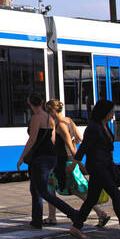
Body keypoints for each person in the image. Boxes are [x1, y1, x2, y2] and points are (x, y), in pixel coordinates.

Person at [70, 99, 120, 239]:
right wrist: (75, 163)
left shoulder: (104, 125)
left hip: (106, 166)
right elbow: (84, 146)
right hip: (98, 167)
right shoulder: (93, 127)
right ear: (104, 112)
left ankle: (76, 226)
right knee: (117, 196)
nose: (113, 114)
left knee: (92, 198)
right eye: (111, 111)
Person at [17, 92, 81, 231]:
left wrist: (22, 157)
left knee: (43, 191)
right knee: (35, 189)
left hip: (40, 158)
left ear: (30, 104)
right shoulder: (50, 118)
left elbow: (32, 139)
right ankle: (36, 221)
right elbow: (52, 139)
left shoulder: (36, 117)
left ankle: (73, 214)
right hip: (51, 156)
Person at [45, 99, 109, 228]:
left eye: (48, 111)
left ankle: (101, 213)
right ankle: (52, 216)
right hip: (64, 160)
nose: (47, 114)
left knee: (70, 189)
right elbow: (79, 139)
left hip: (65, 161)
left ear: (52, 110)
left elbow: (71, 145)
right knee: (59, 187)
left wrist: (77, 163)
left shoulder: (61, 125)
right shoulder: (69, 120)